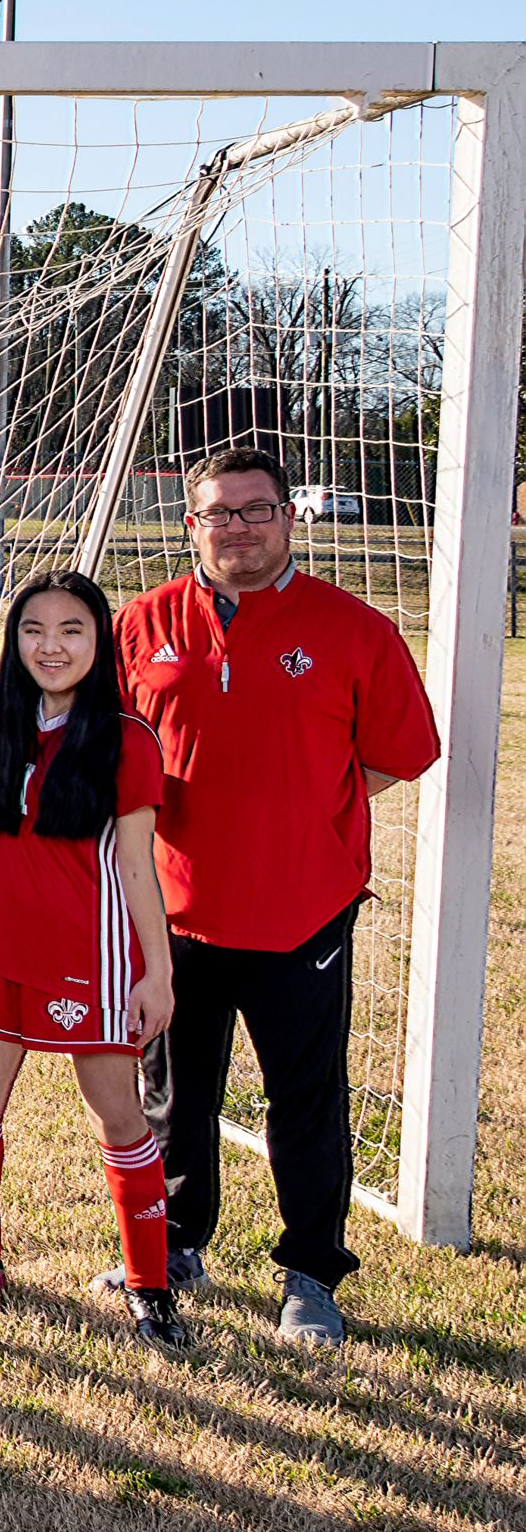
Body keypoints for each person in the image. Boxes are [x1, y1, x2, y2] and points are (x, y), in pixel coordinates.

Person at [117, 448, 439, 1349]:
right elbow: (113, 753)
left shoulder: (353, 629)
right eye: (219, 513)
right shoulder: (144, 623)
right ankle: (178, 1244)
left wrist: (309, 807)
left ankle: (311, 1272)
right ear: (192, 525)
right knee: (175, 1094)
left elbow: (398, 751)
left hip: (302, 908)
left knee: (304, 1096)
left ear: (290, 518)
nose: (239, 528)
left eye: (257, 511)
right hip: (175, 906)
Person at [0, 572, 185, 1346]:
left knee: (115, 1113)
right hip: (4, 951)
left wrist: (158, 970)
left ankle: (150, 1286)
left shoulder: (126, 737)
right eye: (34, 630)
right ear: (14, 643)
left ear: (99, 640)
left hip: (95, 957)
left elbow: (140, 866)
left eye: (72, 630)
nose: (51, 646)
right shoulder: (9, 726)